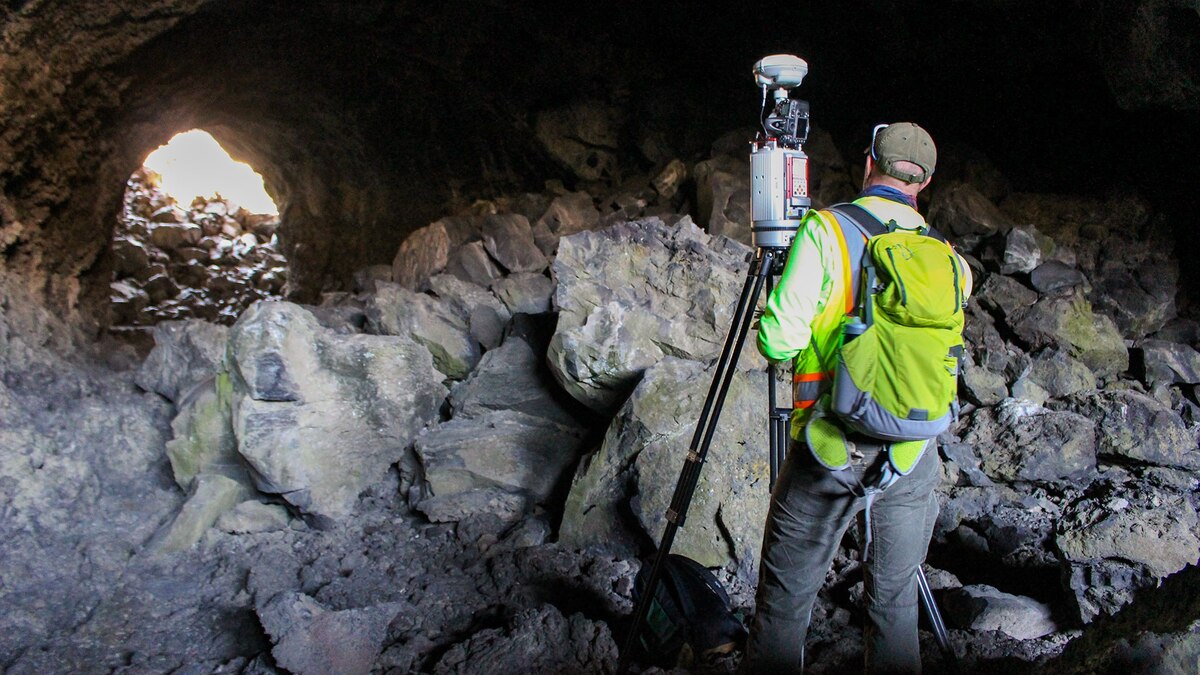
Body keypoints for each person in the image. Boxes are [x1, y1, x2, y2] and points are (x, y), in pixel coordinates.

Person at [741, 122, 972, 673]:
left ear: (869, 162)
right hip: (911, 451)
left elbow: (779, 342)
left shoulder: (827, 231)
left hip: (830, 446)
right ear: (926, 183)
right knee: (894, 604)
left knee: (785, 601)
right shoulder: (948, 259)